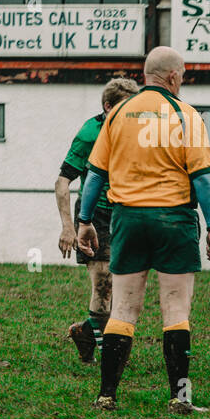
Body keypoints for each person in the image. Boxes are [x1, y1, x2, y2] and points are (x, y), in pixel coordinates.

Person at [75, 46, 210, 414]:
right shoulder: (186, 114)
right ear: (172, 76)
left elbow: (95, 175)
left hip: (128, 220)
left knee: (124, 307)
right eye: (182, 74)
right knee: (176, 308)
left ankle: (107, 395)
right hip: (174, 221)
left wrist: (85, 222)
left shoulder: (118, 113)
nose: (183, 80)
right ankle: (180, 398)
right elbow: (202, 179)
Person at [56, 77, 140, 363]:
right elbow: (62, 182)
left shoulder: (139, 131)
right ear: (107, 106)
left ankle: (85, 333)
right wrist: (68, 227)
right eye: (125, 108)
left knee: (125, 285)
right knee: (104, 282)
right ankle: (110, 355)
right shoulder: (90, 133)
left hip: (128, 212)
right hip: (95, 215)